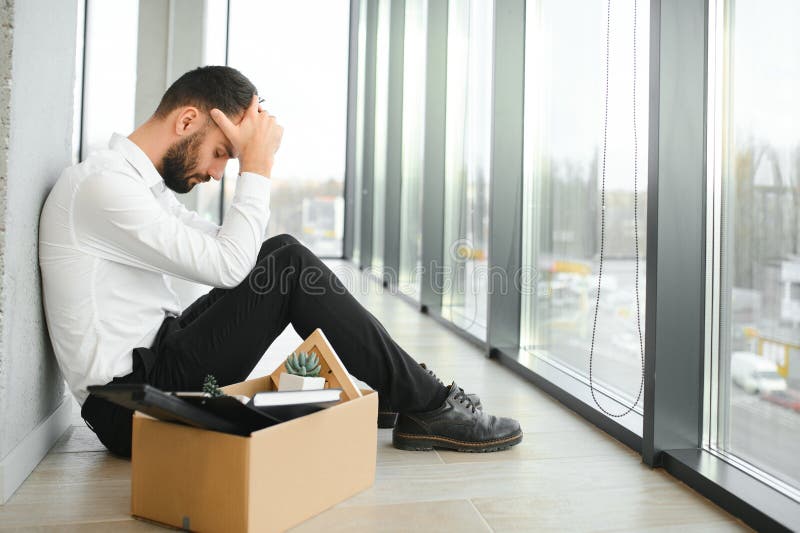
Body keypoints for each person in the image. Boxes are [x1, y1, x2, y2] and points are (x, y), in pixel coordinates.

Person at [39, 66, 522, 458]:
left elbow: (239, 256)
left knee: (278, 254)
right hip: (133, 406)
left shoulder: (130, 185)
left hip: (159, 364)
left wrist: (251, 158)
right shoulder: (103, 189)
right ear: (187, 122)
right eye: (221, 153)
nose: (215, 172)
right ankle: (429, 404)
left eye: (229, 160)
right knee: (286, 265)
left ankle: (407, 390)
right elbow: (229, 266)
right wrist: (259, 165)